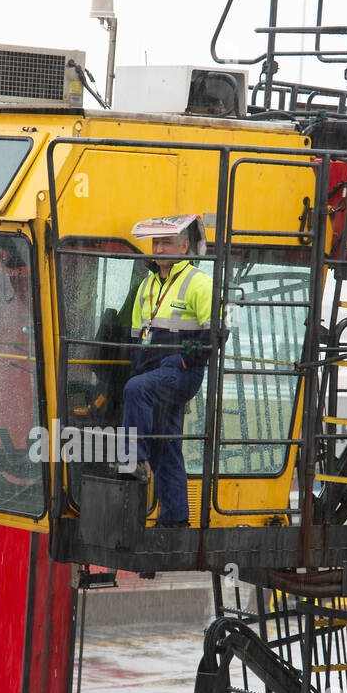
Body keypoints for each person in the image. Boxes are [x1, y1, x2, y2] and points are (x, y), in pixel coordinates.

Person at [120, 214, 212, 526]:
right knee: (167, 444)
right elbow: (136, 335)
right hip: (152, 369)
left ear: (185, 246)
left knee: (136, 390)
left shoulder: (199, 282)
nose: (159, 249)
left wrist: (187, 360)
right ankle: (175, 519)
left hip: (180, 372)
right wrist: (136, 370)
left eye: (167, 242)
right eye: (156, 242)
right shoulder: (146, 285)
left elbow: (215, 334)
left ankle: (134, 459)